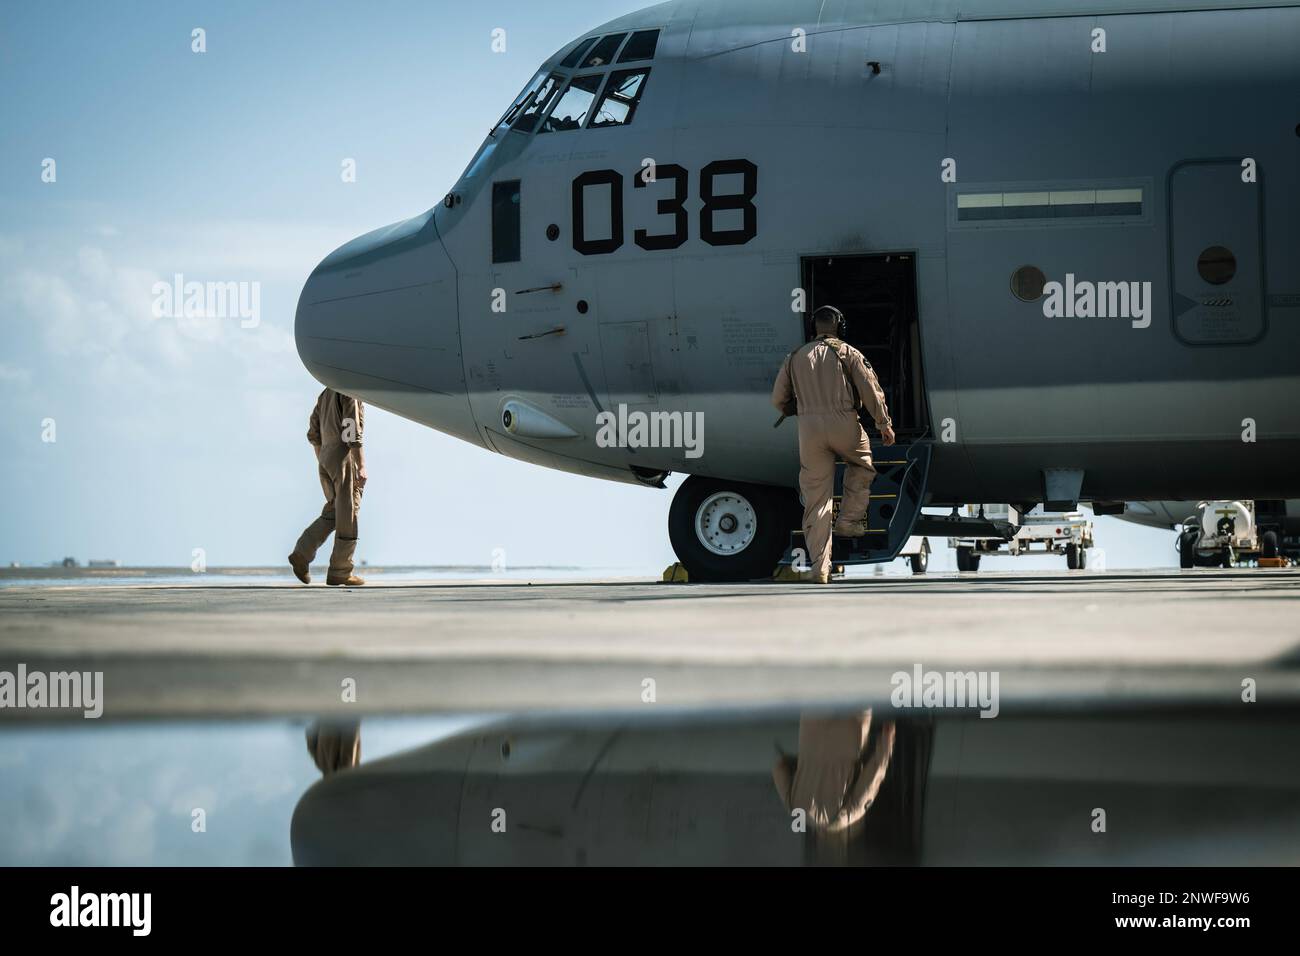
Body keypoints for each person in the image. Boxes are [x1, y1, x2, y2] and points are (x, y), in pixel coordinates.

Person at [771, 305, 894, 584]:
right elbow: (870, 390)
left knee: (817, 501)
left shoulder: (794, 358)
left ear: (813, 327)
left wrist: (798, 407)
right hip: (844, 423)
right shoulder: (847, 352)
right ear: (839, 327)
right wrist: (883, 424)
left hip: (809, 430)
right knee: (862, 465)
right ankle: (848, 521)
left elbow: (778, 401)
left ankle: (820, 568)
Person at [289, 388, 367, 586]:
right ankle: (340, 571)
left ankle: (302, 553)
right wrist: (361, 465)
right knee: (349, 513)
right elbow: (351, 430)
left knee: (335, 510)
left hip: (325, 455)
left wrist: (323, 459)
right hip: (343, 456)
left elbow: (313, 432)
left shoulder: (325, 394)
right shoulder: (349, 390)